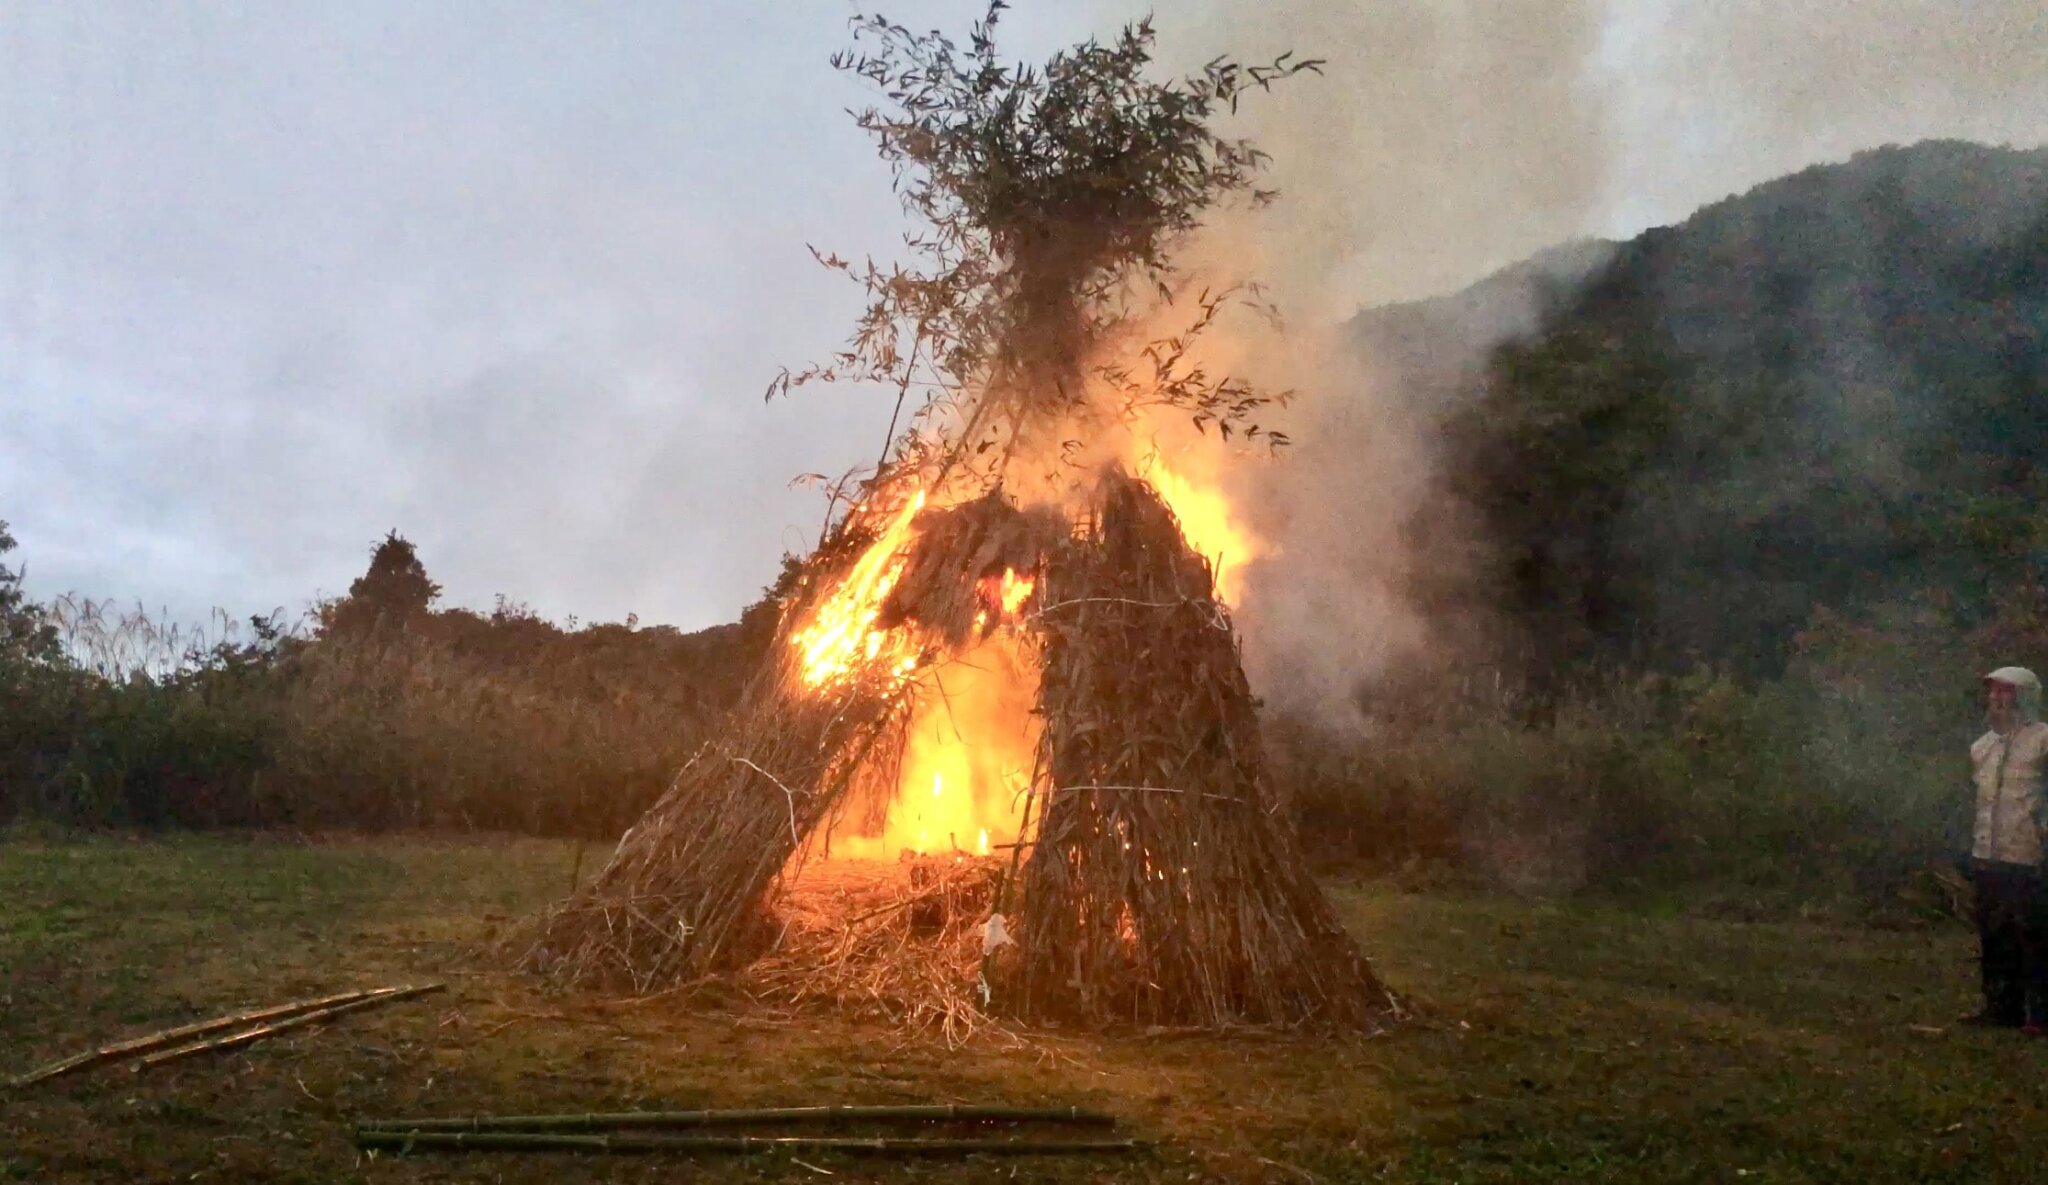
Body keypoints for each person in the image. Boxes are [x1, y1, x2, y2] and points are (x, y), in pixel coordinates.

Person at [1964, 666, 2048, 1030]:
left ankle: (2041, 1015)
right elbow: (1975, 801)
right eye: (1993, 692)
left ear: (2024, 697)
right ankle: (2001, 1008)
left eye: (2006, 692)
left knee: (2036, 936)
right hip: (1989, 855)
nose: (1996, 700)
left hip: (2031, 856)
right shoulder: (1982, 747)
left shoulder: (2045, 740)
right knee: (1995, 935)